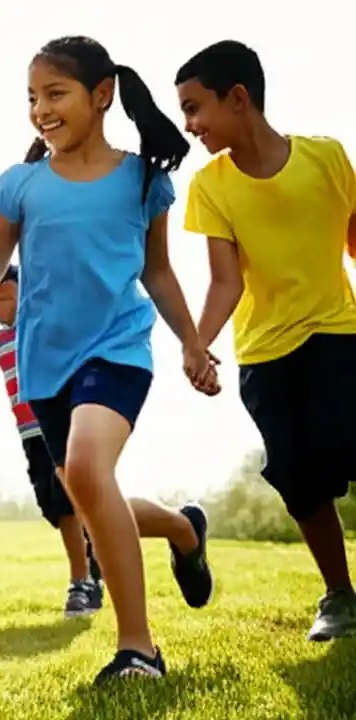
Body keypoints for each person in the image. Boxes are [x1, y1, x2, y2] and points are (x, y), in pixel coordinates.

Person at [0, 36, 217, 682]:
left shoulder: (144, 179)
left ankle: (138, 647)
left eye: (55, 94)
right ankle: (182, 529)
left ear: (101, 94)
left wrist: (192, 341)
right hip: (44, 365)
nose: (41, 109)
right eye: (32, 98)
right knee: (86, 491)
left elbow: (159, 273)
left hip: (117, 349)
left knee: (84, 468)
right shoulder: (21, 185)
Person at [176, 39, 356, 641]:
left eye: (196, 108)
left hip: (338, 334)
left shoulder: (327, 159)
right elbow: (226, 282)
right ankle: (339, 595)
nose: (190, 125)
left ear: (239, 98)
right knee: (298, 476)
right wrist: (197, 346)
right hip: (265, 357)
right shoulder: (211, 186)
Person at [0, 264, 103, 618]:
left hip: (59, 426)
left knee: (67, 503)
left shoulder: (42, 328)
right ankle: (94, 560)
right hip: (29, 436)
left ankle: (81, 581)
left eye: (2, 295)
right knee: (54, 508)